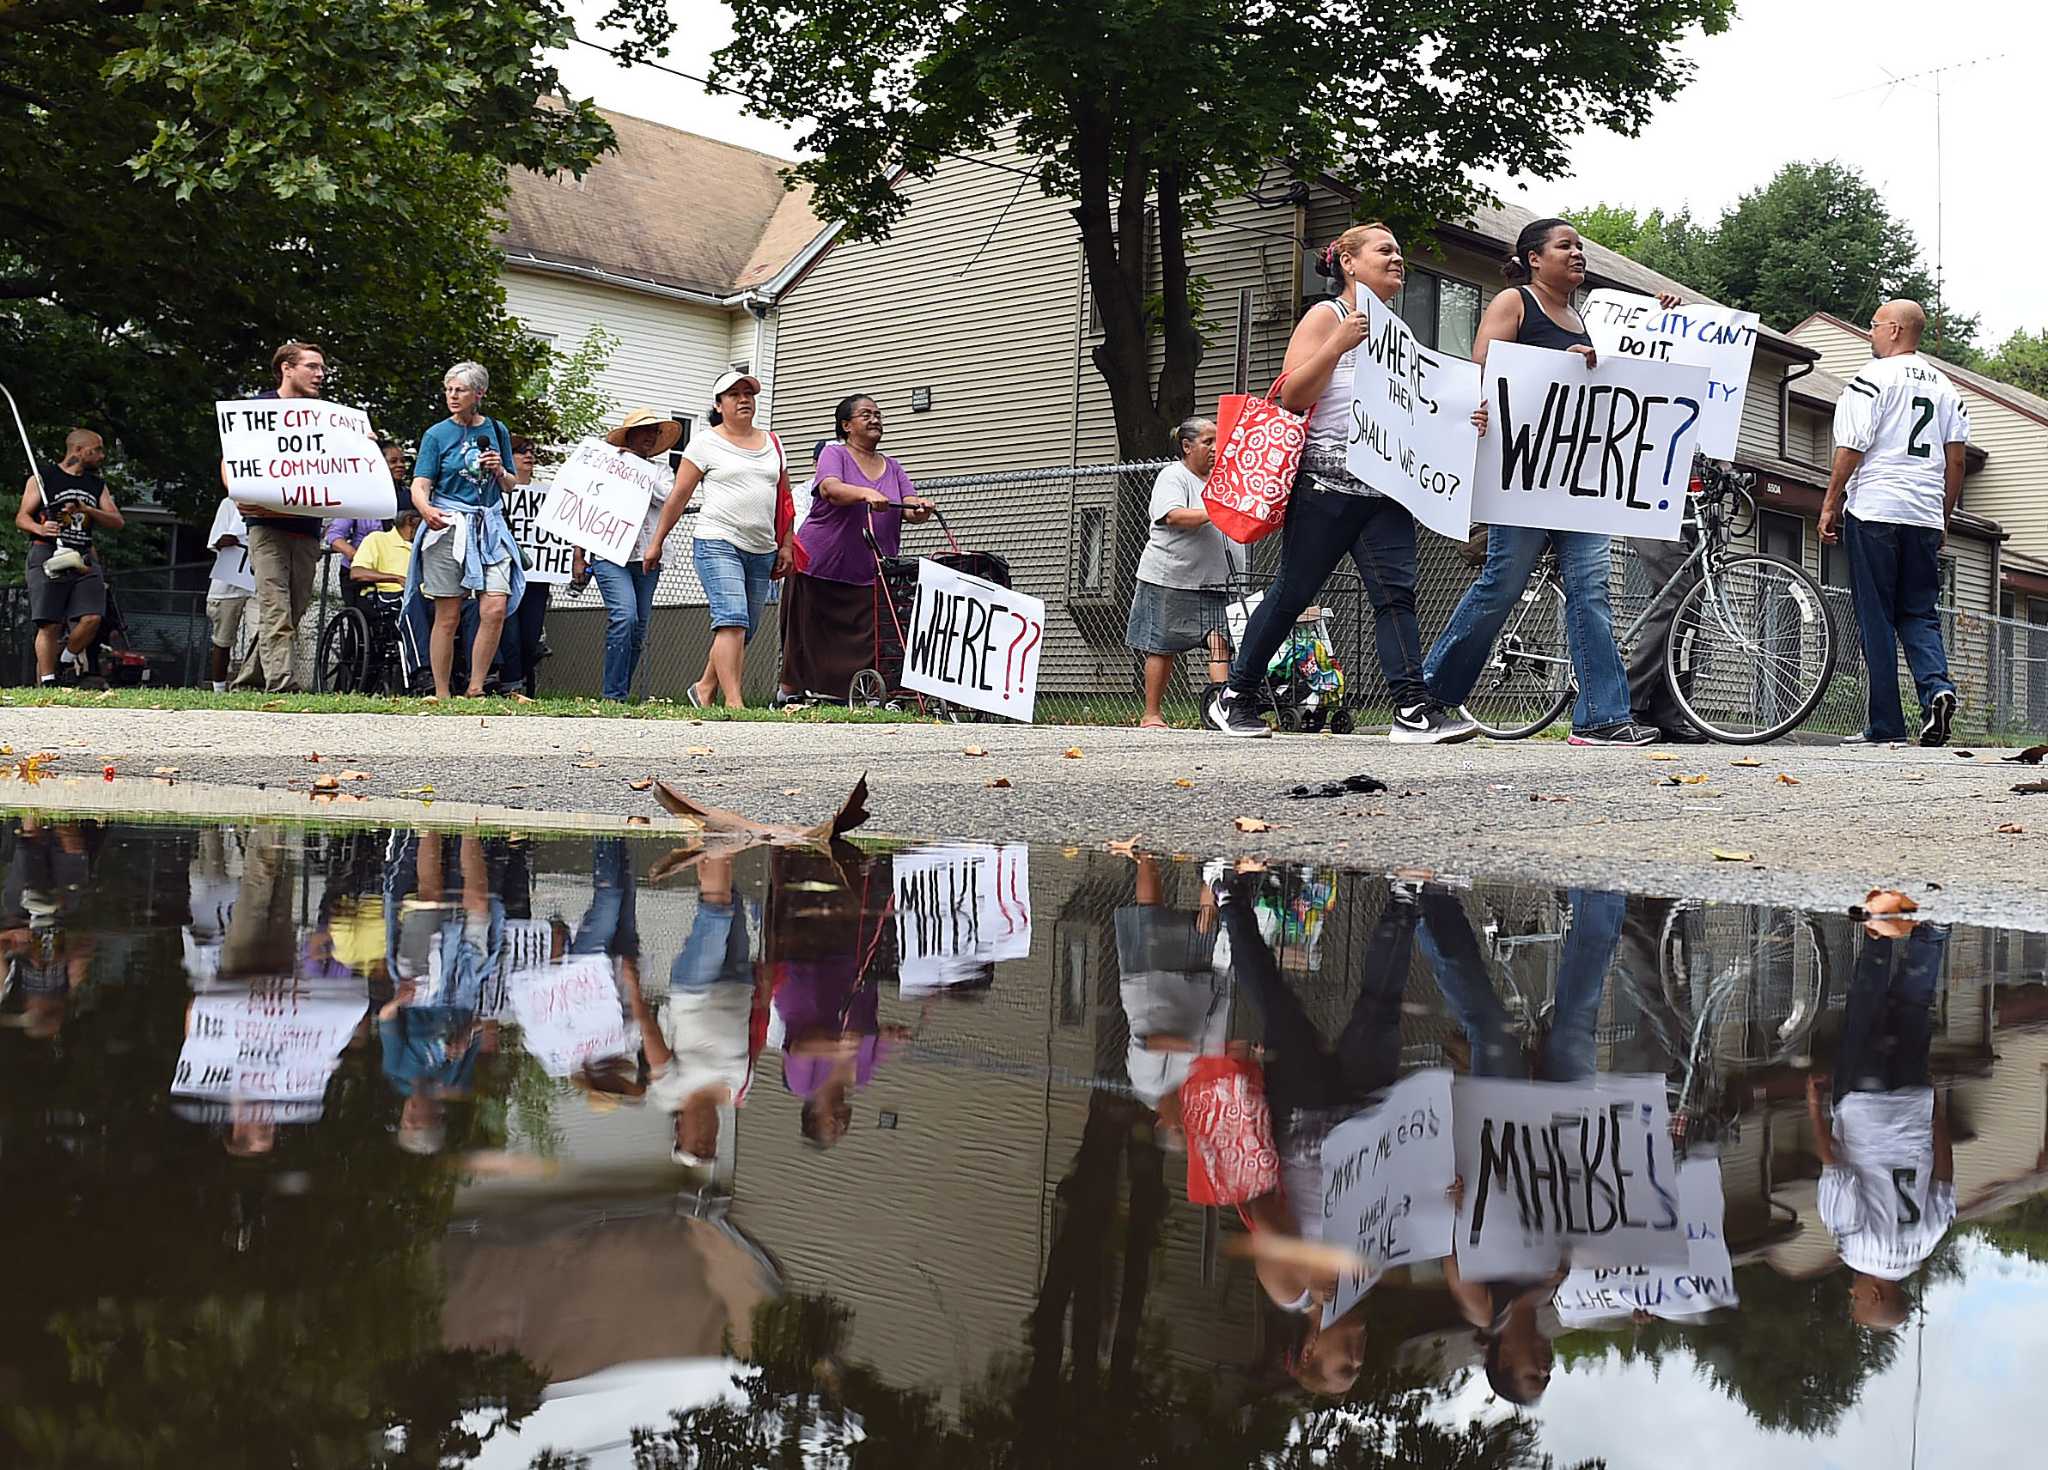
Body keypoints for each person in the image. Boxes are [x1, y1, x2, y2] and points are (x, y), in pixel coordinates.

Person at [1205, 225, 1475, 743]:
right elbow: (1291, 396)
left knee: (1396, 597)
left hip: (1384, 493)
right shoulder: (1327, 317)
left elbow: (1417, 415)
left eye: (1399, 251)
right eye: (1385, 251)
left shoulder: (1400, 334)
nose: (1398, 259)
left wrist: (1466, 418)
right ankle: (1235, 695)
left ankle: (1411, 710)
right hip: (1326, 487)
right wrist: (1338, 345)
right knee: (1293, 592)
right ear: (1348, 263)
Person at [1423, 220, 1654, 746]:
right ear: (1533, 258)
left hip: (1576, 482)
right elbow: (1484, 371)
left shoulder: (1581, 317)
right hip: (1522, 477)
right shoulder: (1515, 302)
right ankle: (1431, 694)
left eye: (1580, 247)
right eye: (1565, 246)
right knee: (1501, 585)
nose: (1577, 254)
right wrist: (1556, 365)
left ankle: (1601, 717)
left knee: (1590, 591)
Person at [1819, 299, 1970, 748]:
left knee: (1876, 617)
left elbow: (1853, 446)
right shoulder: (1947, 388)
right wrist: (1943, 517)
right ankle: (1937, 690)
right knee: (1920, 613)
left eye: (1874, 325)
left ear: (1895, 330)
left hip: (1875, 509)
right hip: (1923, 513)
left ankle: (1886, 724)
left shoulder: (1870, 380)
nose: (1869, 332)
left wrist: (1830, 502)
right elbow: (1956, 461)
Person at [1808, 919, 1954, 1329]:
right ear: (1875, 1294)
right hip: (1863, 1108)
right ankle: (1879, 933)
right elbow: (1835, 1170)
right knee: (1865, 1014)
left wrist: (1935, 1108)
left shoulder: (1928, 1242)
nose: (1851, 1293)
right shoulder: (1854, 1250)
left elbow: (1944, 1172)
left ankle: (1932, 933)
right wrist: (1813, 1106)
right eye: (1857, 1301)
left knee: (1910, 1014)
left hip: (1911, 1107)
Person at [641, 371, 797, 709]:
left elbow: (784, 497)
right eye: (734, 395)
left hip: (762, 548)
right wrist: (656, 542)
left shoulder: (773, 443)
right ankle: (734, 702)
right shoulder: (704, 443)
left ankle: (704, 687)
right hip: (717, 540)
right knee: (732, 617)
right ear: (718, 404)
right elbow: (679, 496)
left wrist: (786, 544)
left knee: (745, 627)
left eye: (748, 394)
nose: (744, 399)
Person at [778, 394, 933, 705]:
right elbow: (829, 489)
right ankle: (791, 692)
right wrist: (865, 492)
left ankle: (861, 693)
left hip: (870, 568)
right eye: (866, 415)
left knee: (869, 635)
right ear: (846, 425)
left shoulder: (893, 466)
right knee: (808, 633)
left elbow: (910, 508)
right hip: (821, 563)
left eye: (878, 414)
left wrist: (921, 508)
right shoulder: (835, 456)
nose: (875, 419)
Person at [407, 361, 526, 700]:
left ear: (480, 393)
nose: (453, 396)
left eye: (460, 389)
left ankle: (476, 686)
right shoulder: (436, 435)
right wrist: (427, 511)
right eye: (449, 389)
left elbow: (510, 484)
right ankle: (442, 691)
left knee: (495, 607)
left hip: (488, 526)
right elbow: (420, 485)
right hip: (449, 526)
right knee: (448, 613)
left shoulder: (497, 430)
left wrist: (500, 469)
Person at [230, 341, 329, 692]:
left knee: (294, 609)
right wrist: (239, 495)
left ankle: (246, 680)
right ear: (287, 368)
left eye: (321, 368)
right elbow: (231, 462)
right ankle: (282, 684)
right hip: (267, 525)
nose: (320, 374)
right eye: (312, 367)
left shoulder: (326, 417)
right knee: (276, 607)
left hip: (307, 526)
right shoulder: (258, 409)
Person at [1128, 418, 1237, 728]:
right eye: (1208, 442)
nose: (1216, 448)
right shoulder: (1173, 476)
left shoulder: (1223, 479)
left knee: (1221, 645)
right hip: (1171, 579)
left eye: (1218, 440)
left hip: (1217, 581)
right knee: (1162, 646)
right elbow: (1173, 515)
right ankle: (1152, 715)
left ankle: (1220, 713)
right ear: (1187, 447)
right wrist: (1216, 512)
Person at [571, 410, 682, 702]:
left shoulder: (661, 472)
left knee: (638, 627)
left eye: (654, 432)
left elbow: (669, 499)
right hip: (609, 555)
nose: (649, 436)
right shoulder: (608, 467)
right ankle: (612, 695)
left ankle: (621, 692)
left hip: (647, 557)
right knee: (625, 616)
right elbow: (587, 507)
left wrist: (637, 469)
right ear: (629, 435)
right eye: (643, 430)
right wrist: (579, 555)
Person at [17, 429, 121, 687]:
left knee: (92, 617)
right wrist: (40, 528)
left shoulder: (96, 484)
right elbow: (22, 518)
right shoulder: (44, 479)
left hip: (83, 556)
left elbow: (117, 521)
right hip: (49, 553)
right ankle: (48, 680)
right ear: (78, 450)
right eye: (96, 449)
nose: (101, 455)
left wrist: (87, 509)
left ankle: (65, 660)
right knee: (49, 623)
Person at [496, 435, 552, 699]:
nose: (528, 456)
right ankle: (510, 686)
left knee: (530, 637)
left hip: (537, 576)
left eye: (531, 451)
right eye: (521, 452)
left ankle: (520, 680)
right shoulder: (496, 492)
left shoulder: (547, 494)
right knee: (510, 634)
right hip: (505, 574)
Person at [202, 497, 253, 692]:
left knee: (261, 633)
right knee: (222, 640)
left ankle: (247, 683)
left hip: (257, 582)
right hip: (229, 579)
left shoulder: (273, 504)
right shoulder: (230, 503)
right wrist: (224, 541)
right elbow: (215, 541)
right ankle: (219, 689)